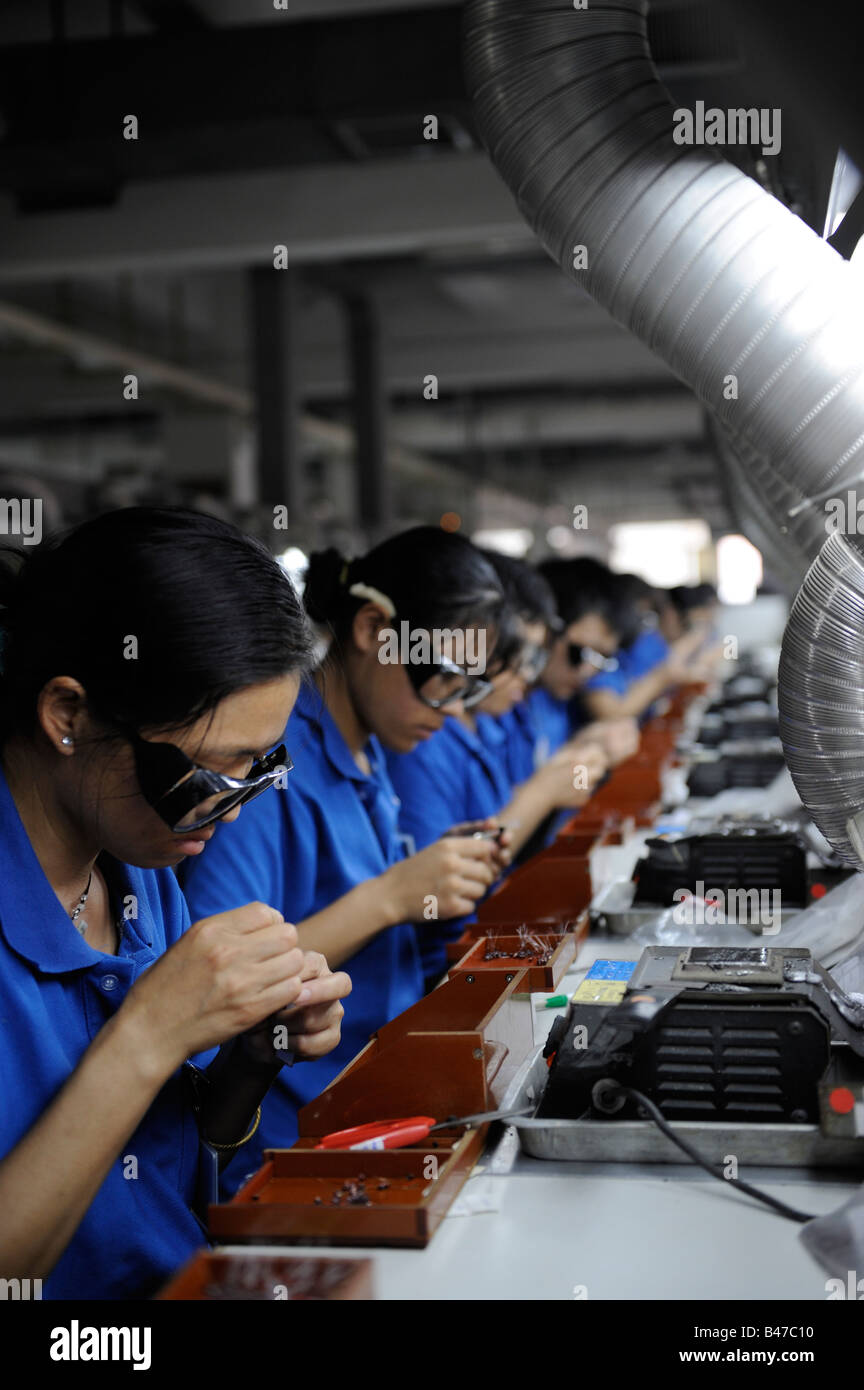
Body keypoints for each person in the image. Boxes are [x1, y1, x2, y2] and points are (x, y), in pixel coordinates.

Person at [0, 507, 350, 1299]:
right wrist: (150, 1032)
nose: (230, 814)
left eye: (259, 771)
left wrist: (251, 1057)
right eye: (211, 776)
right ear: (68, 717)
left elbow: (172, 1157)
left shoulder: (138, 861)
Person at [181, 527, 509, 1183]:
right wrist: (390, 895)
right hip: (288, 1144)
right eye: (442, 678)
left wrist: (432, 889)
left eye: (466, 690)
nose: (449, 711)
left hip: (371, 1106)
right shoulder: (270, 764)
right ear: (372, 630)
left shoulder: (367, 749)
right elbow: (216, 982)